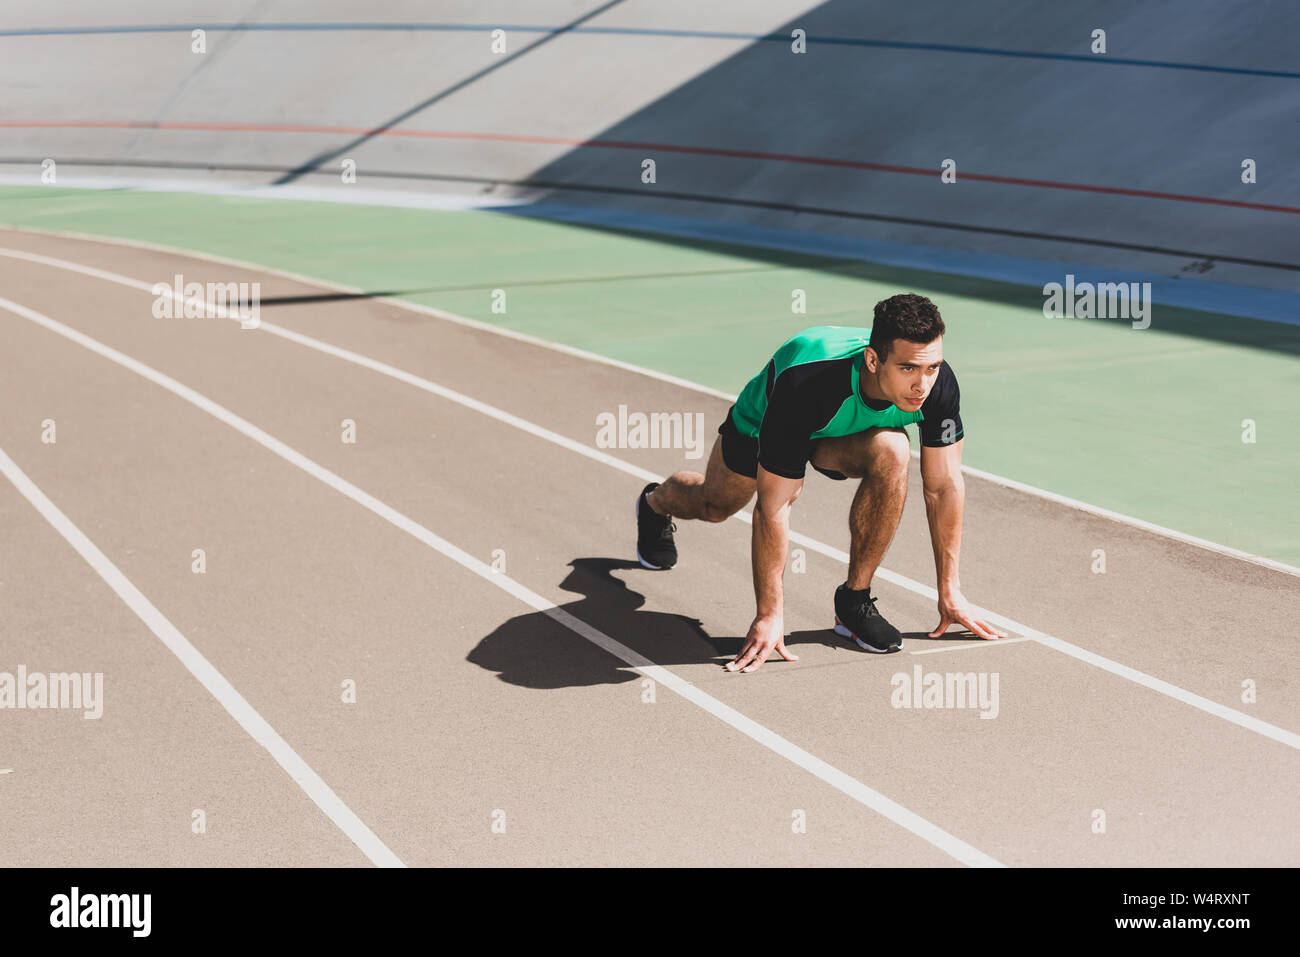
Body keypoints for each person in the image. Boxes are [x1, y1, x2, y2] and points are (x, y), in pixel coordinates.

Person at [634, 293, 1004, 672]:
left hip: (841, 434)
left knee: (894, 449)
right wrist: (769, 614)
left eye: (932, 368)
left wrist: (950, 590)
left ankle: (853, 601)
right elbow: (774, 506)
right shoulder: (806, 384)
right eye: (908, 369)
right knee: (715, 505)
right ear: (873, 360)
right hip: (764, 422)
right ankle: (655, 504)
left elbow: (943, 487)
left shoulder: (937, 384)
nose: (922, 384)